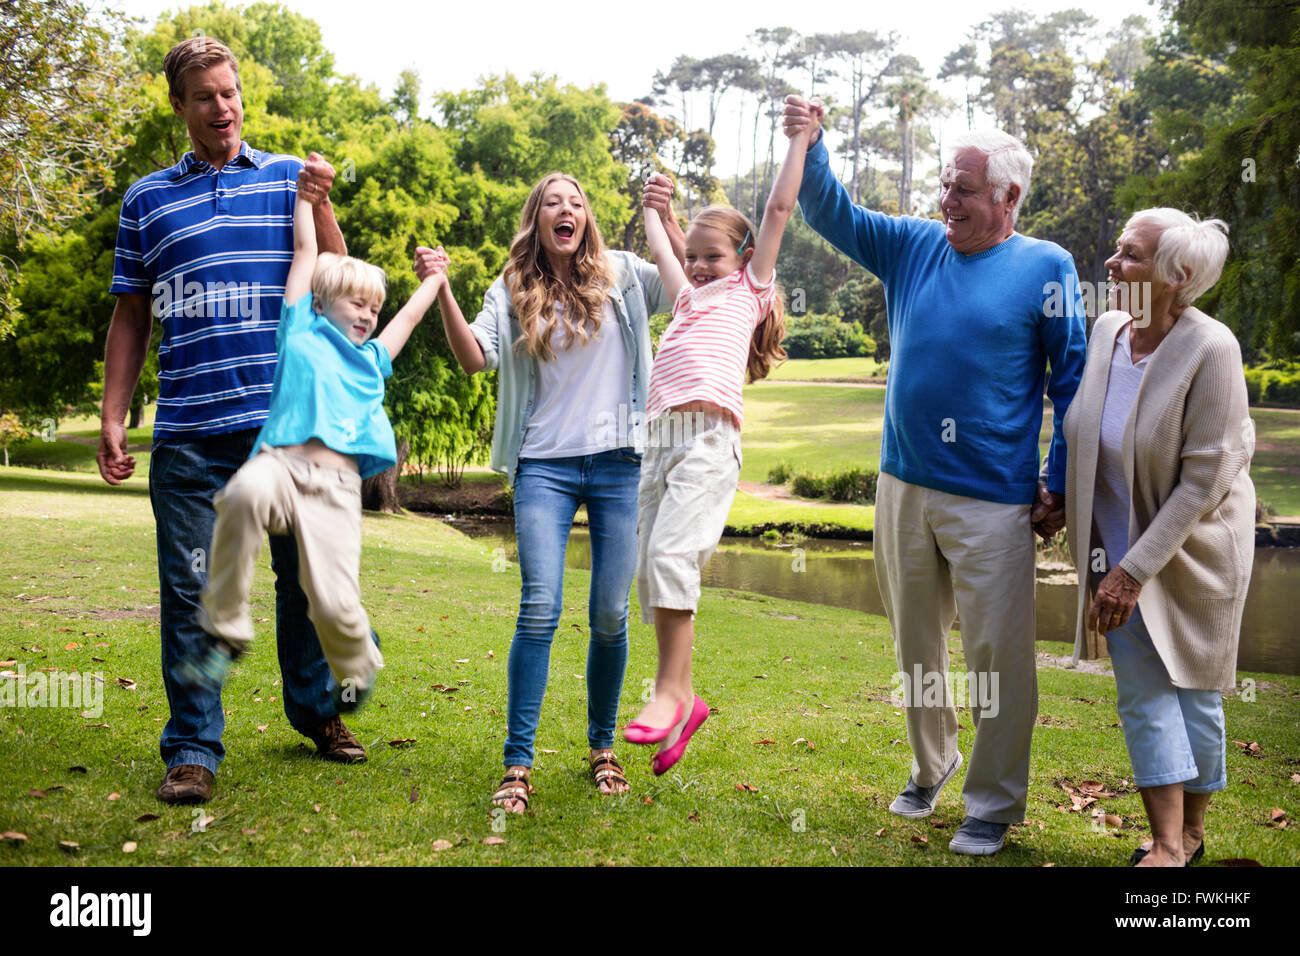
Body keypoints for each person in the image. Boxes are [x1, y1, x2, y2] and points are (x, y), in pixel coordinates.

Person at [782, 96, 1087, 855]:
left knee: (995, 655)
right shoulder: (915, 246)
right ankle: (933, 763)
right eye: (946, 185)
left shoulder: (1046, 266)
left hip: (993, 497)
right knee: (917, 645)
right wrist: (811, 143)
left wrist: (1059, 479)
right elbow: (831, 212)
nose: (946, 200)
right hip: (904, 484)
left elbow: (1072, 383)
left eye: (964, 189)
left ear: (1008, 198)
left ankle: (993, 802)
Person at [98, 36, 362, 805]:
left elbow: (338, 281)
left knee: (305, 583)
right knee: (191, 593)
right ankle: (191, 748)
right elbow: (130, 316)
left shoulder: (287, 178)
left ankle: (319, 715)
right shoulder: (147, 200)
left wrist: (322, 202)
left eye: (232, 91)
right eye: (206, 96)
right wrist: (115, 415)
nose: (223, 107)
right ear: (179, 105)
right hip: (187, 432)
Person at [414, 173, 686, 812]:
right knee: (540, 607)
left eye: (577, 203)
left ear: (587, 217)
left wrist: (665, 216)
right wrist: (443, 289)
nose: (567, 211)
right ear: (536, 220)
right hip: (544, 466)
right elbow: (474, 357)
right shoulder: (510, 289)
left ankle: (601, 747)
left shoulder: (622, 272)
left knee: (610, 616)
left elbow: (686, 287)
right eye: (553, 205)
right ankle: (517, 762)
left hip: (619, 464)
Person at [182, 176, 451, 711]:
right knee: (240, 497)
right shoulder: (299, 327)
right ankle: (227, 631)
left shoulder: (373, 360)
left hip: (336, 489)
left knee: (333, 604)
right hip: (280, 466)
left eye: (373, 309)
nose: (368, 315)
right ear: (324, 302)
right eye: (357, 303)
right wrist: (305, 201)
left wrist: (436, 279)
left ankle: (357, 666)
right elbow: (307, 249)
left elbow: (413, 316)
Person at [1061, 209, 1253, 867]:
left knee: (1196, 692)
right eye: (1116, 250)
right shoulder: (1110, 329)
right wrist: (1060, 496)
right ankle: (1168, 845)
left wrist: (1134, 570)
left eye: (1130, 254)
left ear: (1180, 276)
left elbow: (1206, 476)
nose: (1112, 265)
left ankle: (1191, 834)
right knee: (1145, 695)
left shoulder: (1211, 348)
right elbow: (1085, 428)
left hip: (1192, 555)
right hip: (1113, 548)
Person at [621, 138, 797, 774]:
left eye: (710, 258)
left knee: (672, 555)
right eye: (690, 258)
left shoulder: (746, 292)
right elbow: (667, 250)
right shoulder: (690, 298)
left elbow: (777, 208)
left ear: (745, 260)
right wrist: (654, 209)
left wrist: (799, 138)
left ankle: (669, 692)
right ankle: (686, 702)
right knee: (649, 567)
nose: (695, 268)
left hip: (707, 439)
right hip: (659, 442)